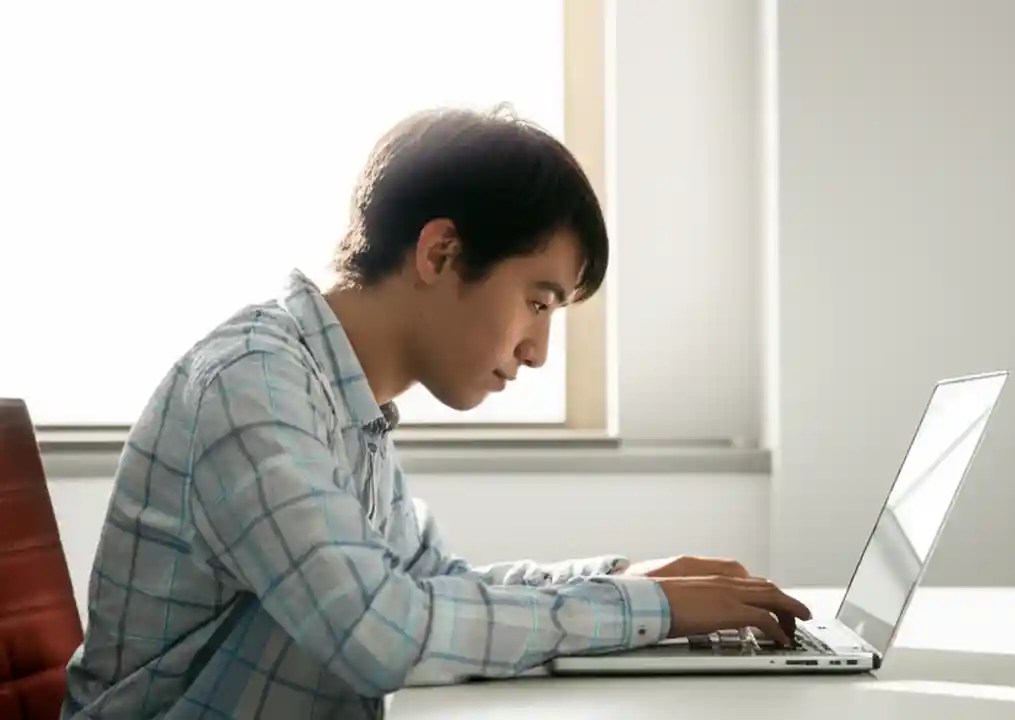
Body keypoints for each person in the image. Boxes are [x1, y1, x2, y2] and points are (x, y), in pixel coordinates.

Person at [62, 107, 810, 718]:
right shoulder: (253, 385)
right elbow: (384, 632)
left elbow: (432, 587)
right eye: (537, 302)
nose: (539, 351)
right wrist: (646, 609)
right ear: (441, 252)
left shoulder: (343, 400)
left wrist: (627, 578)